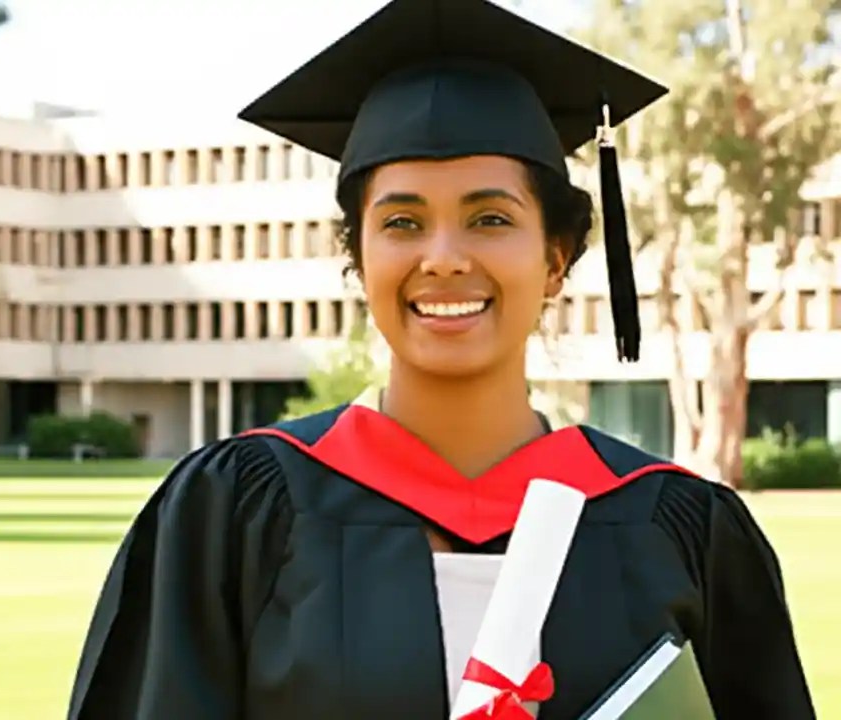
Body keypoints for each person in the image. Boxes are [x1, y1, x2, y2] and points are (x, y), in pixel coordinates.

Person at [65, 0, 816, 718]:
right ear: (358, 258)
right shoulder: (234, 513)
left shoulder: (676, 526)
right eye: (402, 221)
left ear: (556, 261)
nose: (444, 258)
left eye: (490, 218)